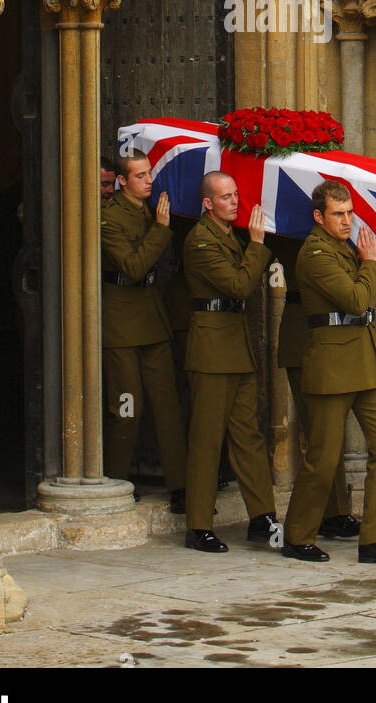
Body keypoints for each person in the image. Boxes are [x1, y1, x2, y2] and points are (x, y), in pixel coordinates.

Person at [281, 181, 376, 566]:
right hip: (332, 363)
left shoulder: (344, 248)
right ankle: (297, 535)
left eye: (350, 213)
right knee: (323, 457)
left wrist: (365, 263)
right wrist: (371, 264)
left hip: (365, 360)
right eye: (339, 214)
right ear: (319, 217)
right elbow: (356, 298)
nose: (347, 220)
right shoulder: (315, 254)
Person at [182, 172, 278, 553]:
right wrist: (257, 245)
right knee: (207, 438)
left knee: (248, 435)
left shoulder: (229, 237)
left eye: (236, 194)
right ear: (208, 204)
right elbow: (238, 285)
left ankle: (262, 516)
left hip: (236, 346)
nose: (235, 202)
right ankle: (199, 525)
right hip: (211, 348)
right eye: (226, 197)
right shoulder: (201, 241)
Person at [100, 150, 188, 514]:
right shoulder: (109, 219)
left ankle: (182, 485)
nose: (148, 181)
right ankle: (119, 479)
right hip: (121, 321)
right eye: (140, 176)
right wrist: (161, 230)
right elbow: (133, 266)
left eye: (149, 174)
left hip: (152, 317)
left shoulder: (151, 209)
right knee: (127, 406)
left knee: (167, 405)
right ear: (122, 181)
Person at [272, 233, 360, 541]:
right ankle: (312, 522)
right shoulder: (294, 235)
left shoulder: (341, 235)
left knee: (326, 435)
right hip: (304, 337)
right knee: (319, 435)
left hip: (340, 341)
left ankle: (335, 512)